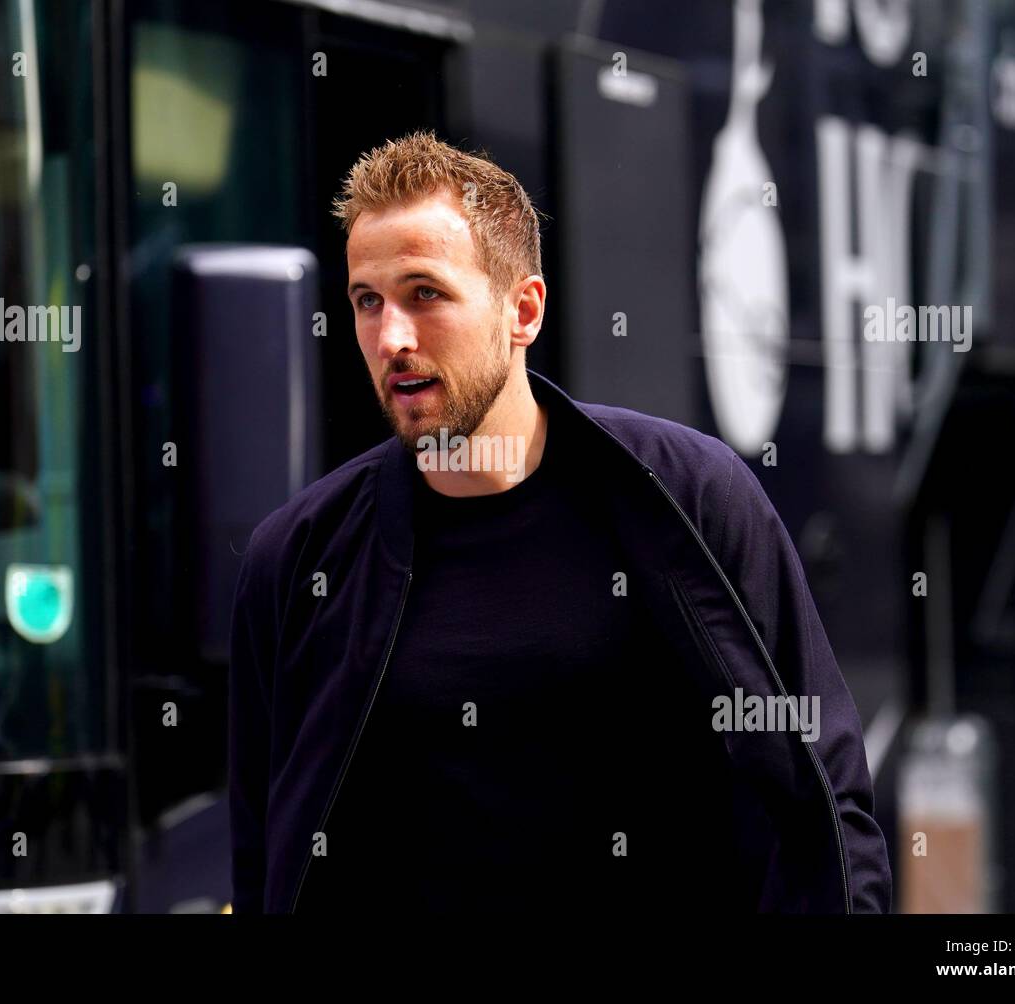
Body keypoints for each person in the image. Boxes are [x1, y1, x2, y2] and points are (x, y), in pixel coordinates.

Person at [229, 130, 891, 914]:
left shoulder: (688, 500)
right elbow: (263, 851)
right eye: (367, 301)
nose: (391, 338)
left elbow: (825, 798)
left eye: (425, 294)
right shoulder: (299, 558)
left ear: (524, 310)